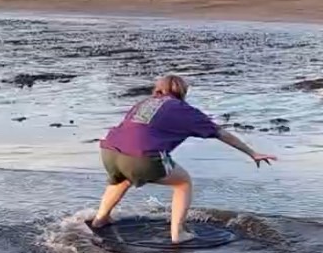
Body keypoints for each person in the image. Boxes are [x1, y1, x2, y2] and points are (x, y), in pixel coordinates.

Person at [88, 75, 276, 244]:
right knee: (183, 183)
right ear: (183, 91)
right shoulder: (183, 110)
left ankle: (100, 219)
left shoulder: (144, 103)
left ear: (158, 89)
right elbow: (220, 133)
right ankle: (178, 234)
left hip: (109, 151)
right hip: (141, 157)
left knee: (122, 179)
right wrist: (252, 153)